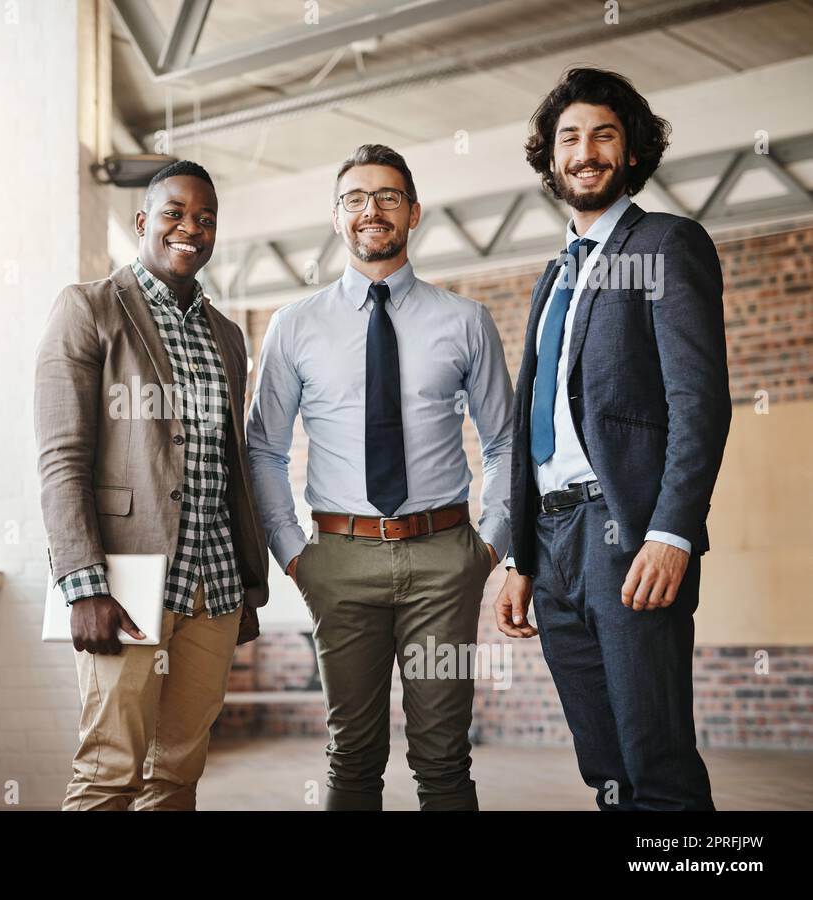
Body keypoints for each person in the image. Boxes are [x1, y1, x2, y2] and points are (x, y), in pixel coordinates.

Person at [247, 144, 513, 810]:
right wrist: (293, 554)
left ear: (414, 212)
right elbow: (263, 451)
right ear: (337, 218)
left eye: (389, 196)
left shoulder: (465, 322)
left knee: (444, 756)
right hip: (338, 561)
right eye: (355, 198)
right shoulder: (293, 327)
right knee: (353, 755)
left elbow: (505, 440)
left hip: (444, 561)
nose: (372, 209)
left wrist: (489, 549)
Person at [495, 68, 731, 811]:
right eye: (569, 139)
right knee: (604, 764)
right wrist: (520, 556)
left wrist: (673, 531)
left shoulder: (666, 244)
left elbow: (699, 401)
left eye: (603, 134)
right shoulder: (552, 276)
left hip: (627, 530)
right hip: (555, 536)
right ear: (551, 159)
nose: (585, 151)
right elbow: (533, 418)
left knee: (653, 758)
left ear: (631, 152)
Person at [35, 159, 268, 810]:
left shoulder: (225, 334)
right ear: (143, 222)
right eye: (174, 213)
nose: (190, 228)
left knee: (177, 775)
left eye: (205, 218)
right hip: (125, 583)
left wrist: (248, 583)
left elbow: (231, 465)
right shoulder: (89, 309)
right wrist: (83, 584)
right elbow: (62, 455)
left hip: (214, 587)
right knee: (110, 772)